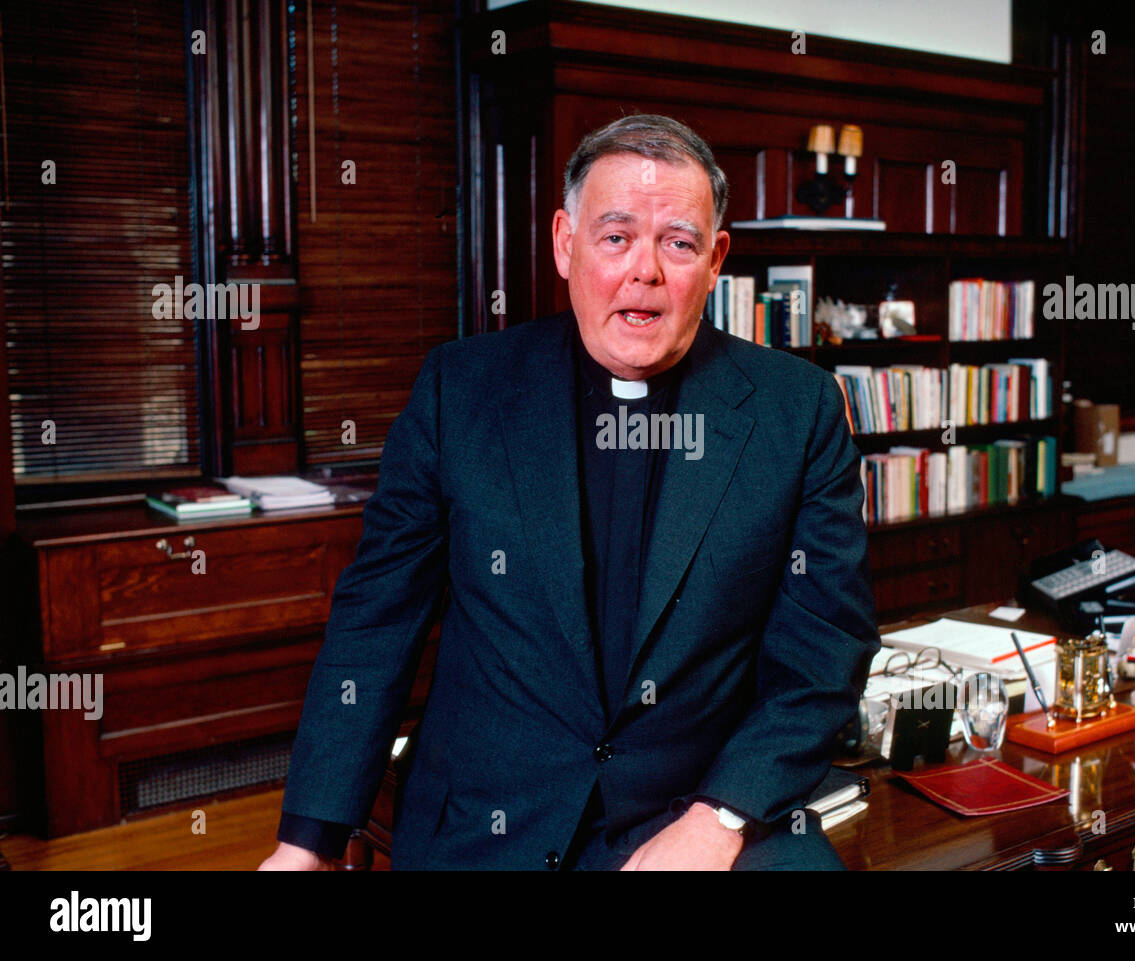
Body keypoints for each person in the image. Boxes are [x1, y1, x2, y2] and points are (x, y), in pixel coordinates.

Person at [260, 114, 879, 871]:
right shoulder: (463, 390)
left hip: (689, 814)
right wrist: (308, 839)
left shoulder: (799, 410)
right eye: (615, 236)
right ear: (565, 243)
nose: (644, 271)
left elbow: (823, 656)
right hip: (486, 820)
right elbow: (375, 621)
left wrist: (720, 817)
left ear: (716, 260)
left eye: (677, 243)